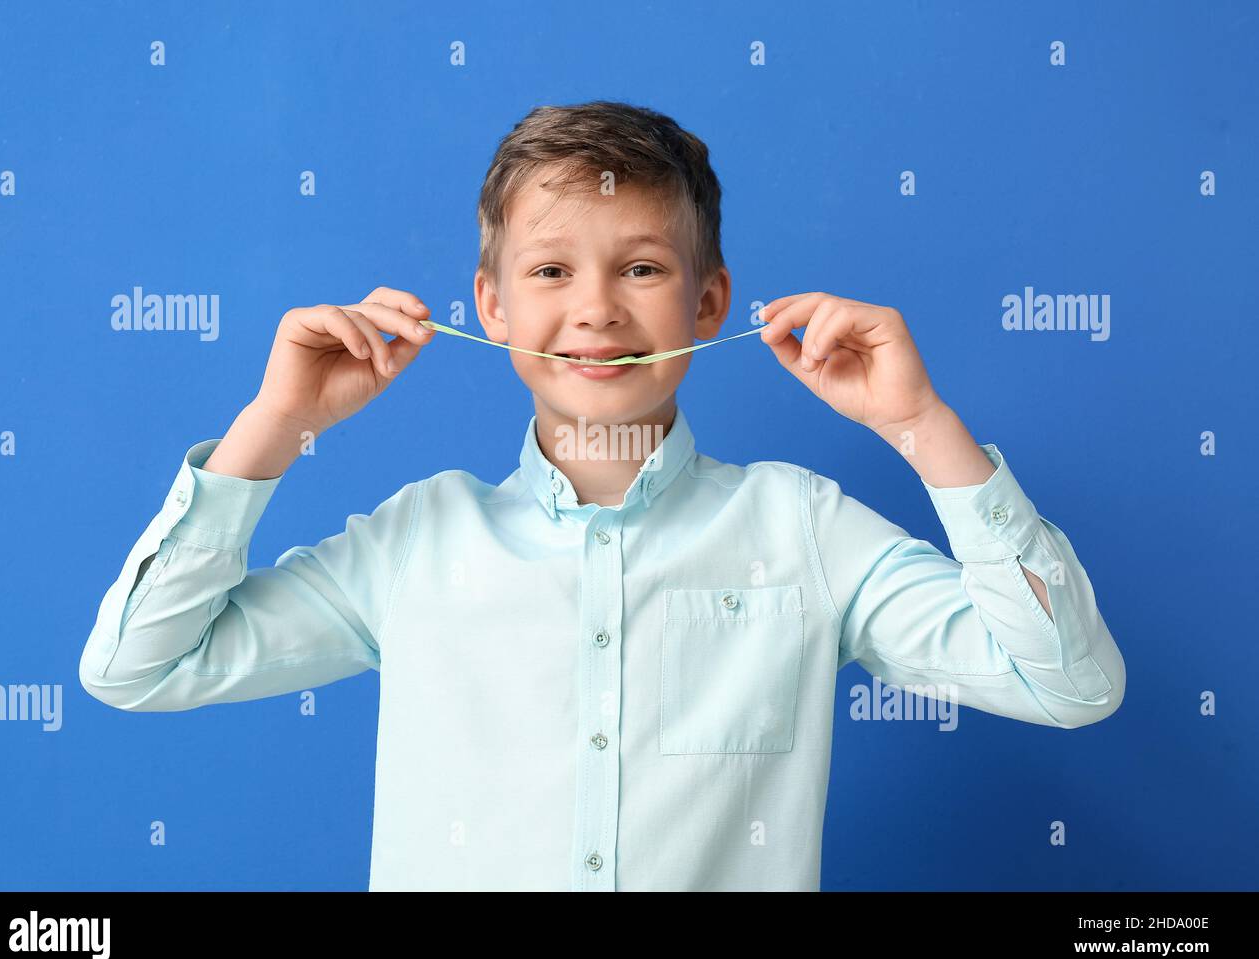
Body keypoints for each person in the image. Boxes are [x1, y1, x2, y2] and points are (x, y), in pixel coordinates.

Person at [79, 99, 1125, 891]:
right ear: (488, 306)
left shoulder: (801, 528)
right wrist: (275, 424)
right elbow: (139, 668)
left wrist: (921, 430)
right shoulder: (415, 542)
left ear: (708, 300)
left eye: (638, 269)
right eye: (548, 273)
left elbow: (1067, 687)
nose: (594, 310)